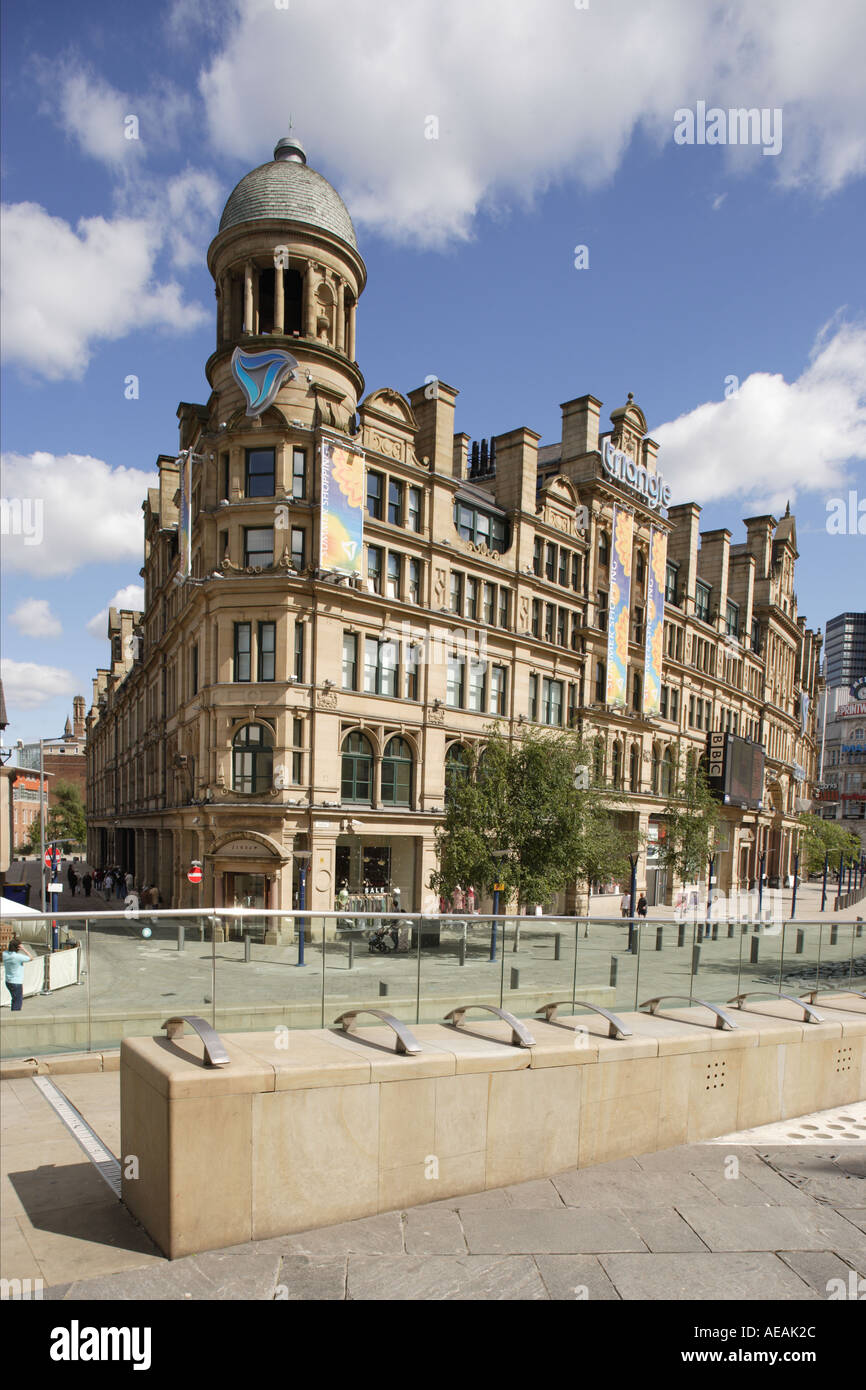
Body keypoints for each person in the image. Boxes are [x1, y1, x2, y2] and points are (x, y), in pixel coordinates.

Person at [2, 937, 34, 1012]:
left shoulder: (5, 954)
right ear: (18, 947)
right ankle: (15, 1016)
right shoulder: (17, 957)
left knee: (14, 999)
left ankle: (13, 1014)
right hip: (16, 982)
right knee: (17, 1002)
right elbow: (31, 958)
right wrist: (24, 949)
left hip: (8, 981)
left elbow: (7, 951)